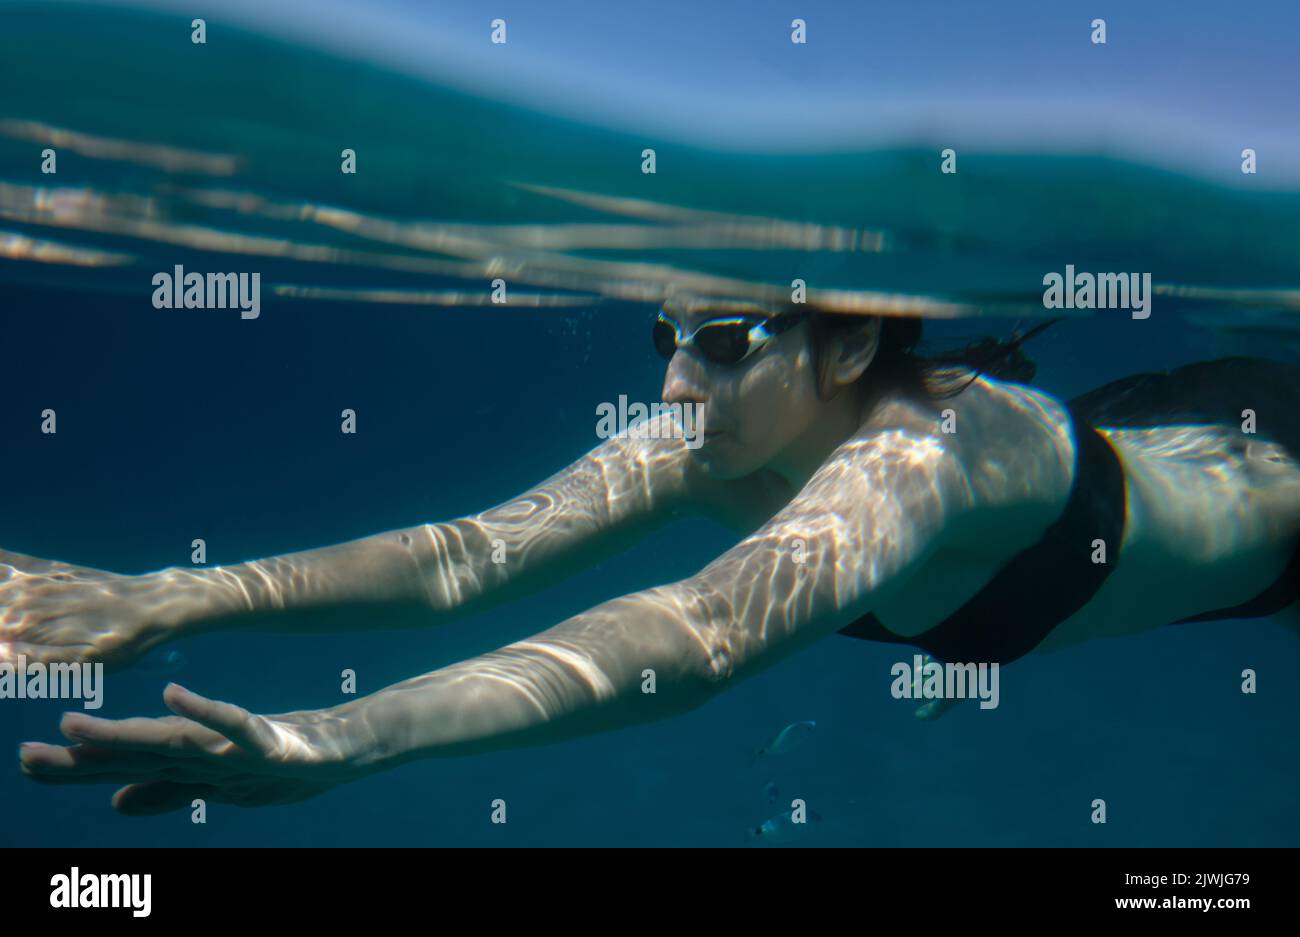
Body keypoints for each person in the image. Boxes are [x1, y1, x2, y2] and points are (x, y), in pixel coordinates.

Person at [8, 294, 1299, 814]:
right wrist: (165, 596)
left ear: (845, 350)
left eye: (727, 341)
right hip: (1158, 416)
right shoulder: (715, 432)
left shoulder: (926, 456)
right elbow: (467, 558)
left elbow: (708, 632)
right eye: (667, 334)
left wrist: (333, 742)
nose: (680, 382)